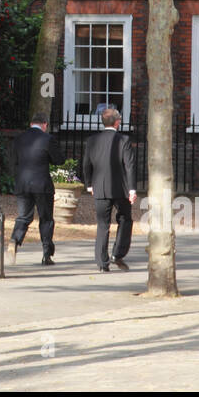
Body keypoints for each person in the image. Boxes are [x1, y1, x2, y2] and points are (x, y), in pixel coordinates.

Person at [81, 105, 137, 272]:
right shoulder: (124, 140)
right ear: (117, 123)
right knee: (125, 219)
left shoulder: (92, 140)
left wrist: (89, 184)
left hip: (100, 187)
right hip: (120, 188)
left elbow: (86, 165)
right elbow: (130, 166)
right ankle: (117, 254)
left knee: (102, 224)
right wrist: (132, 189)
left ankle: (102, 263)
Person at [8, 111, 61, 265]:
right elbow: (59, 160)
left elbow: (13, 161)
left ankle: (14, 240)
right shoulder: (48, 139)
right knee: (46, 219)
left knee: (24, 216)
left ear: (31, 124)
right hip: (42, 184)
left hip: (23, 183)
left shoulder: (19, 139)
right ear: (45, 125)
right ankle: (46, 255)